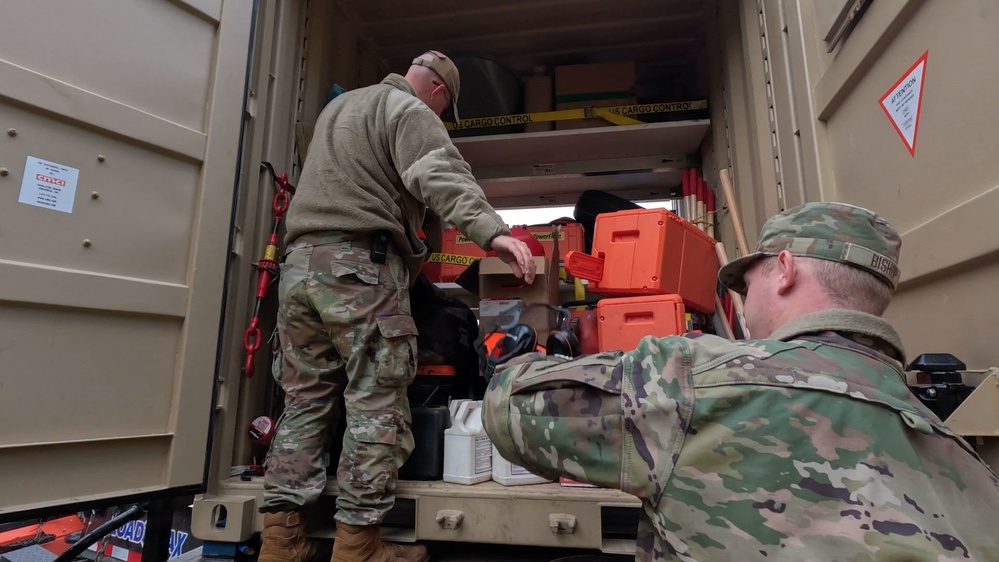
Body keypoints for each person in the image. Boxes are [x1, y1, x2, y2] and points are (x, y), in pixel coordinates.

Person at [482, 202, 999, 561]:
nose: (743, 305)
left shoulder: (698, 379)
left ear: (785, 270)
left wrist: (514, 360)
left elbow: (511, 409)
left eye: (747, 284)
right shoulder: (968, 464)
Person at [259, 50, 537, 562]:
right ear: (438, 93)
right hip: (359, 268)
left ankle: (281, 541)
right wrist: (493, 234)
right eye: (444, 109)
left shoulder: (338, 111)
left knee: (304, 404)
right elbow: (439, 172)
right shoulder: (409, 112)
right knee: (377, 405)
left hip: (299, 267)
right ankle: (359, 546)